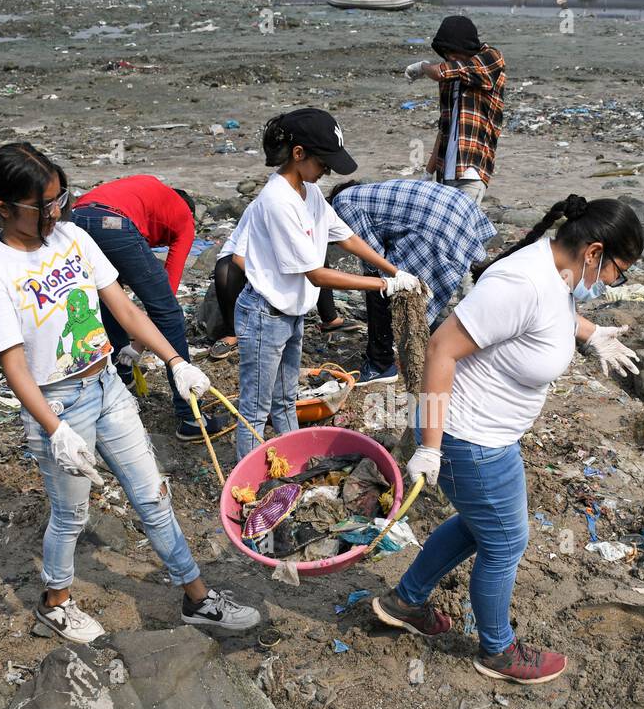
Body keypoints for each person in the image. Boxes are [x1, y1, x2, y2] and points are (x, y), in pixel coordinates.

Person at [0, 142, 262, 643]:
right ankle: (55, 602)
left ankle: (197, 598)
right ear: (3, 207)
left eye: (61, 199)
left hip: (107, 386)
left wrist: (175, 362)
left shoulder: (73, 237)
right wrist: (55, 430)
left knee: (153, 495)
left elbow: (124, 310)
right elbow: (14, 367)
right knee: (71, 514)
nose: (57, 212)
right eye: (44, 205)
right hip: (56, 403)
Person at [371, 196, 644, 684]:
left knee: (483, 526)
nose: (610, 284)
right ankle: (498, 650)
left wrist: (590, 332)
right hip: (467, 437)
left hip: (489, 435)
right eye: (615, 272)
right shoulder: (522, 281)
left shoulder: (555, 272)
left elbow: (546, 315)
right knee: (506, 541)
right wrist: (429, 445)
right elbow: (440, 348)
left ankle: (405, 601)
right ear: (594, 251)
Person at [229, 108, 421, 460]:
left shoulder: (310, 192)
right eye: (323, 163)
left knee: (287, 399)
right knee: (255, 408)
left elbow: (346, 237)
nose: (327, 172)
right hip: (264, 315)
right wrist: (380, 284)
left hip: (291, 313)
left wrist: (394, 271)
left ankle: (292, 465)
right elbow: (316, 274)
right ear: (298, 153)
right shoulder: (276, 201)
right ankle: (251, 483)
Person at [71, 175, 204, 442]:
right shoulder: (184, 217)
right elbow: (165, 299)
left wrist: (134, 347)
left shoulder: (146, 195)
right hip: (113, 222)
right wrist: (141, 346)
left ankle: (122, 378)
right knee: (169, 314)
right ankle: (190, 417)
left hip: (74, 217)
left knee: (107, 296)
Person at [326, 178, 496, 387]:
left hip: (437, 224)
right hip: (459, 206)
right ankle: (458, 346)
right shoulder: (370, 191)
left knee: (385, 287)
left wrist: (382, 282)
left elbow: (372, 254)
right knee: (429, 289)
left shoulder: (340, 206)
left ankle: (380, 365)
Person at [404, 15, 506, 205]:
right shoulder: (448, 82)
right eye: (446, 52)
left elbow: (440, 71)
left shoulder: (491, 58)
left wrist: (423, 67)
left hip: (472, 171)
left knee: (458, 230)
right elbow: (444, 130)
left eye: (453, 51)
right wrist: (428, 173)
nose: (450, 57)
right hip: (446, 174)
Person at [206, 239, 361, 363]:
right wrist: (266, 281)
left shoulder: (312, 206)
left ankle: (330, 317)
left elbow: (347, 238)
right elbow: (238, 257)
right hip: (250, 255)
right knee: (225, 269)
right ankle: (233, 332)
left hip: (285, 249)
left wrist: (381, 278)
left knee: (315, 253)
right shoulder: (266, 206)